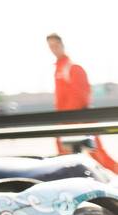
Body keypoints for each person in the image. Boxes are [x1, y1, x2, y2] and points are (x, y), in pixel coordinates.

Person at [47, 34, 117, 169]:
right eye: (50, 47)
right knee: (65, 160)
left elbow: (81, 96)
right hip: (64, 122)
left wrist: (70, 120)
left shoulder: (72, 68)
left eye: (55, 45)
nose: (53, 49)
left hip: (79, 121)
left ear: (62, 45)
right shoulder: (58, 70)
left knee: (100, 157)